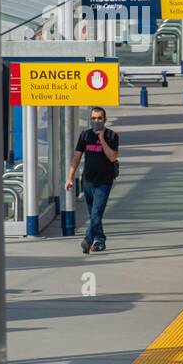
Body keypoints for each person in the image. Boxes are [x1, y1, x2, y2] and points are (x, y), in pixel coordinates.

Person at [65, 106, 120, 254]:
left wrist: (101, 138)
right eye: (94, 119)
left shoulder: (111, 136)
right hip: (88, 181)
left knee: (96, 212)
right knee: (94, 214)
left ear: (105, 119)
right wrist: (70, 177)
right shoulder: (85, 136)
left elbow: (112, 157)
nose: (96, 121)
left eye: (99, 118)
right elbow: (77, 157)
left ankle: (88, 240)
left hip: (104, 181)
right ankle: (100, 239)